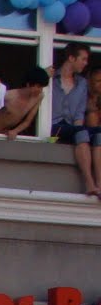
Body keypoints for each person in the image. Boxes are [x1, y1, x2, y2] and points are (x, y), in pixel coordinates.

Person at [49, 42, 99, 197]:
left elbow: (79, 114)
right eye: (83, 59)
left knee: (97, 134)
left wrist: (79, 132)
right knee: (82, 132)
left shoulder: (82, 83)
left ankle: (100, 184)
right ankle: (89, 183)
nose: (85, 63)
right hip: (53, 128)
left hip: (73, 127)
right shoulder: (51, 78)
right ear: (71, 58)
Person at [0, 66, 49, 139]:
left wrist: (15, 131)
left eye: (42, 87)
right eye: (38, 87)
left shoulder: (39, 97)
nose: (40, 90)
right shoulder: (9, 96)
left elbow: (28, 121)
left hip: (4, 135)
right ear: (28, 84)